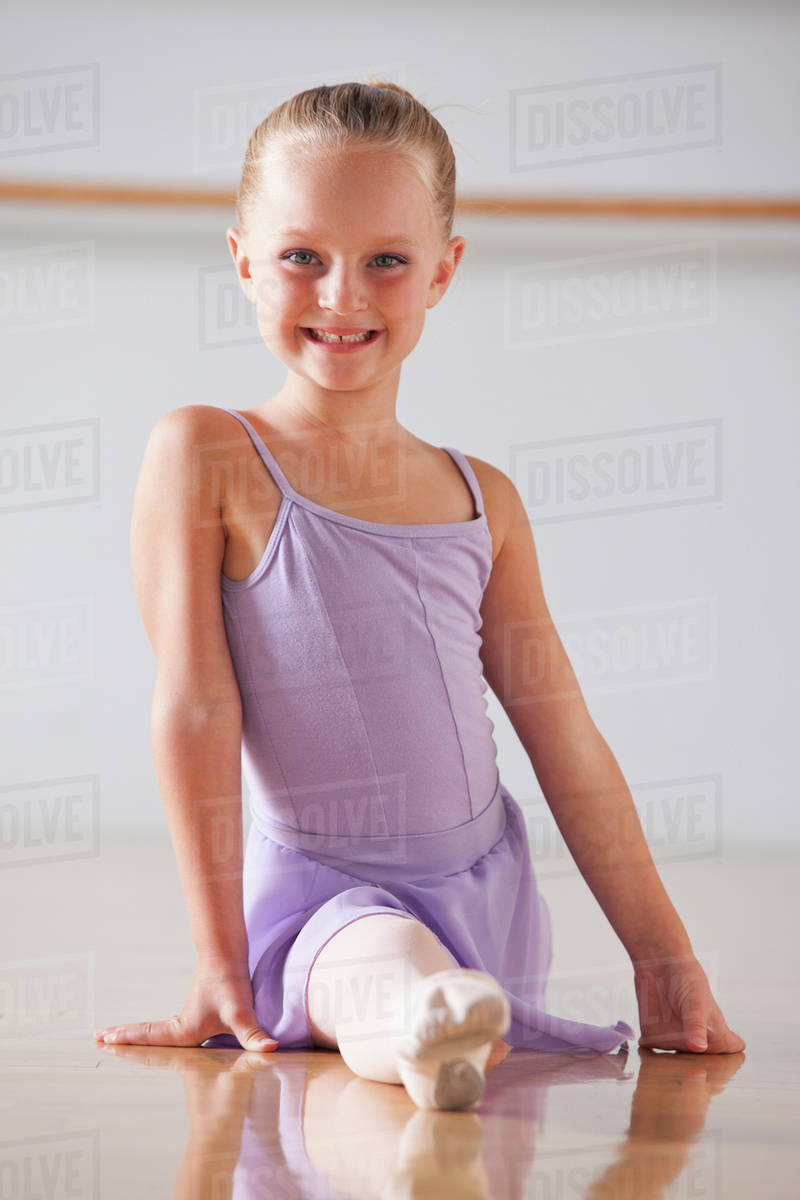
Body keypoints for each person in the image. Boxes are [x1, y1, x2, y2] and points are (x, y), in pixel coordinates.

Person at [93, 80, 745, 1111]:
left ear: (442, 272)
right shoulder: (209, 454)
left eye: (385, 262)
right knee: (375, 966)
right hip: (319, 899)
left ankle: (448, 1021)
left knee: (427, 983)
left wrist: (662, 960)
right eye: (303, 256)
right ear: (243, 261)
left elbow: (564, 739)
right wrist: (219, 956)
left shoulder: (483, 498)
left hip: (485, 894)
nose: (341, 296)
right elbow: (196, 707)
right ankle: (425, 1019)